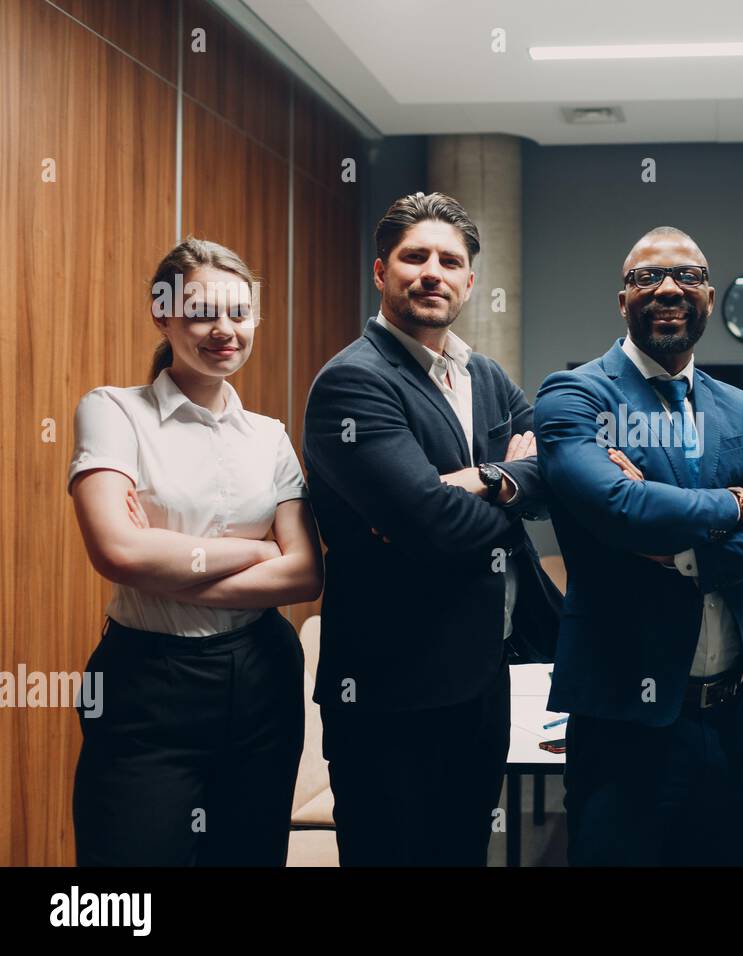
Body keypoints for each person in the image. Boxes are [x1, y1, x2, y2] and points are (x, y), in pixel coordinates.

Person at [534, 225, 743, 866]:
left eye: (686, 276)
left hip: (732, 711)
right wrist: (736, 504)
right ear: (622, 299)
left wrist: (688, 556)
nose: (667, 289)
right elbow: (621, 507)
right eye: (646, 277)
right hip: (625, 715)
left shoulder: (735, 406)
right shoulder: (575, 393)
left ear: (708, 297)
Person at [302, 191, 561, 866]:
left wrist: (485, 480)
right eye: (415, 257)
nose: (432, 273)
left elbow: (554, 469)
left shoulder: (483, 374)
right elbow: (429, 526)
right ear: (382, 270)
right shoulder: (353, 384)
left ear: (470, 282)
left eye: (449, 261)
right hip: (391, 689)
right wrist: (502, 479)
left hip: (481, 679)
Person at [67, 238, 322, 866]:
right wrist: (254, 551)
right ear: (163, 314)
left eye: (239, 313)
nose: (224, 330)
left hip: (262, 674)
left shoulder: (269, 436)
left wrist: (172, 561)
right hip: (147, 680)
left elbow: (306, 573)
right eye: (203, 311)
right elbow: (118, 554)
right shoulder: (113, 411)